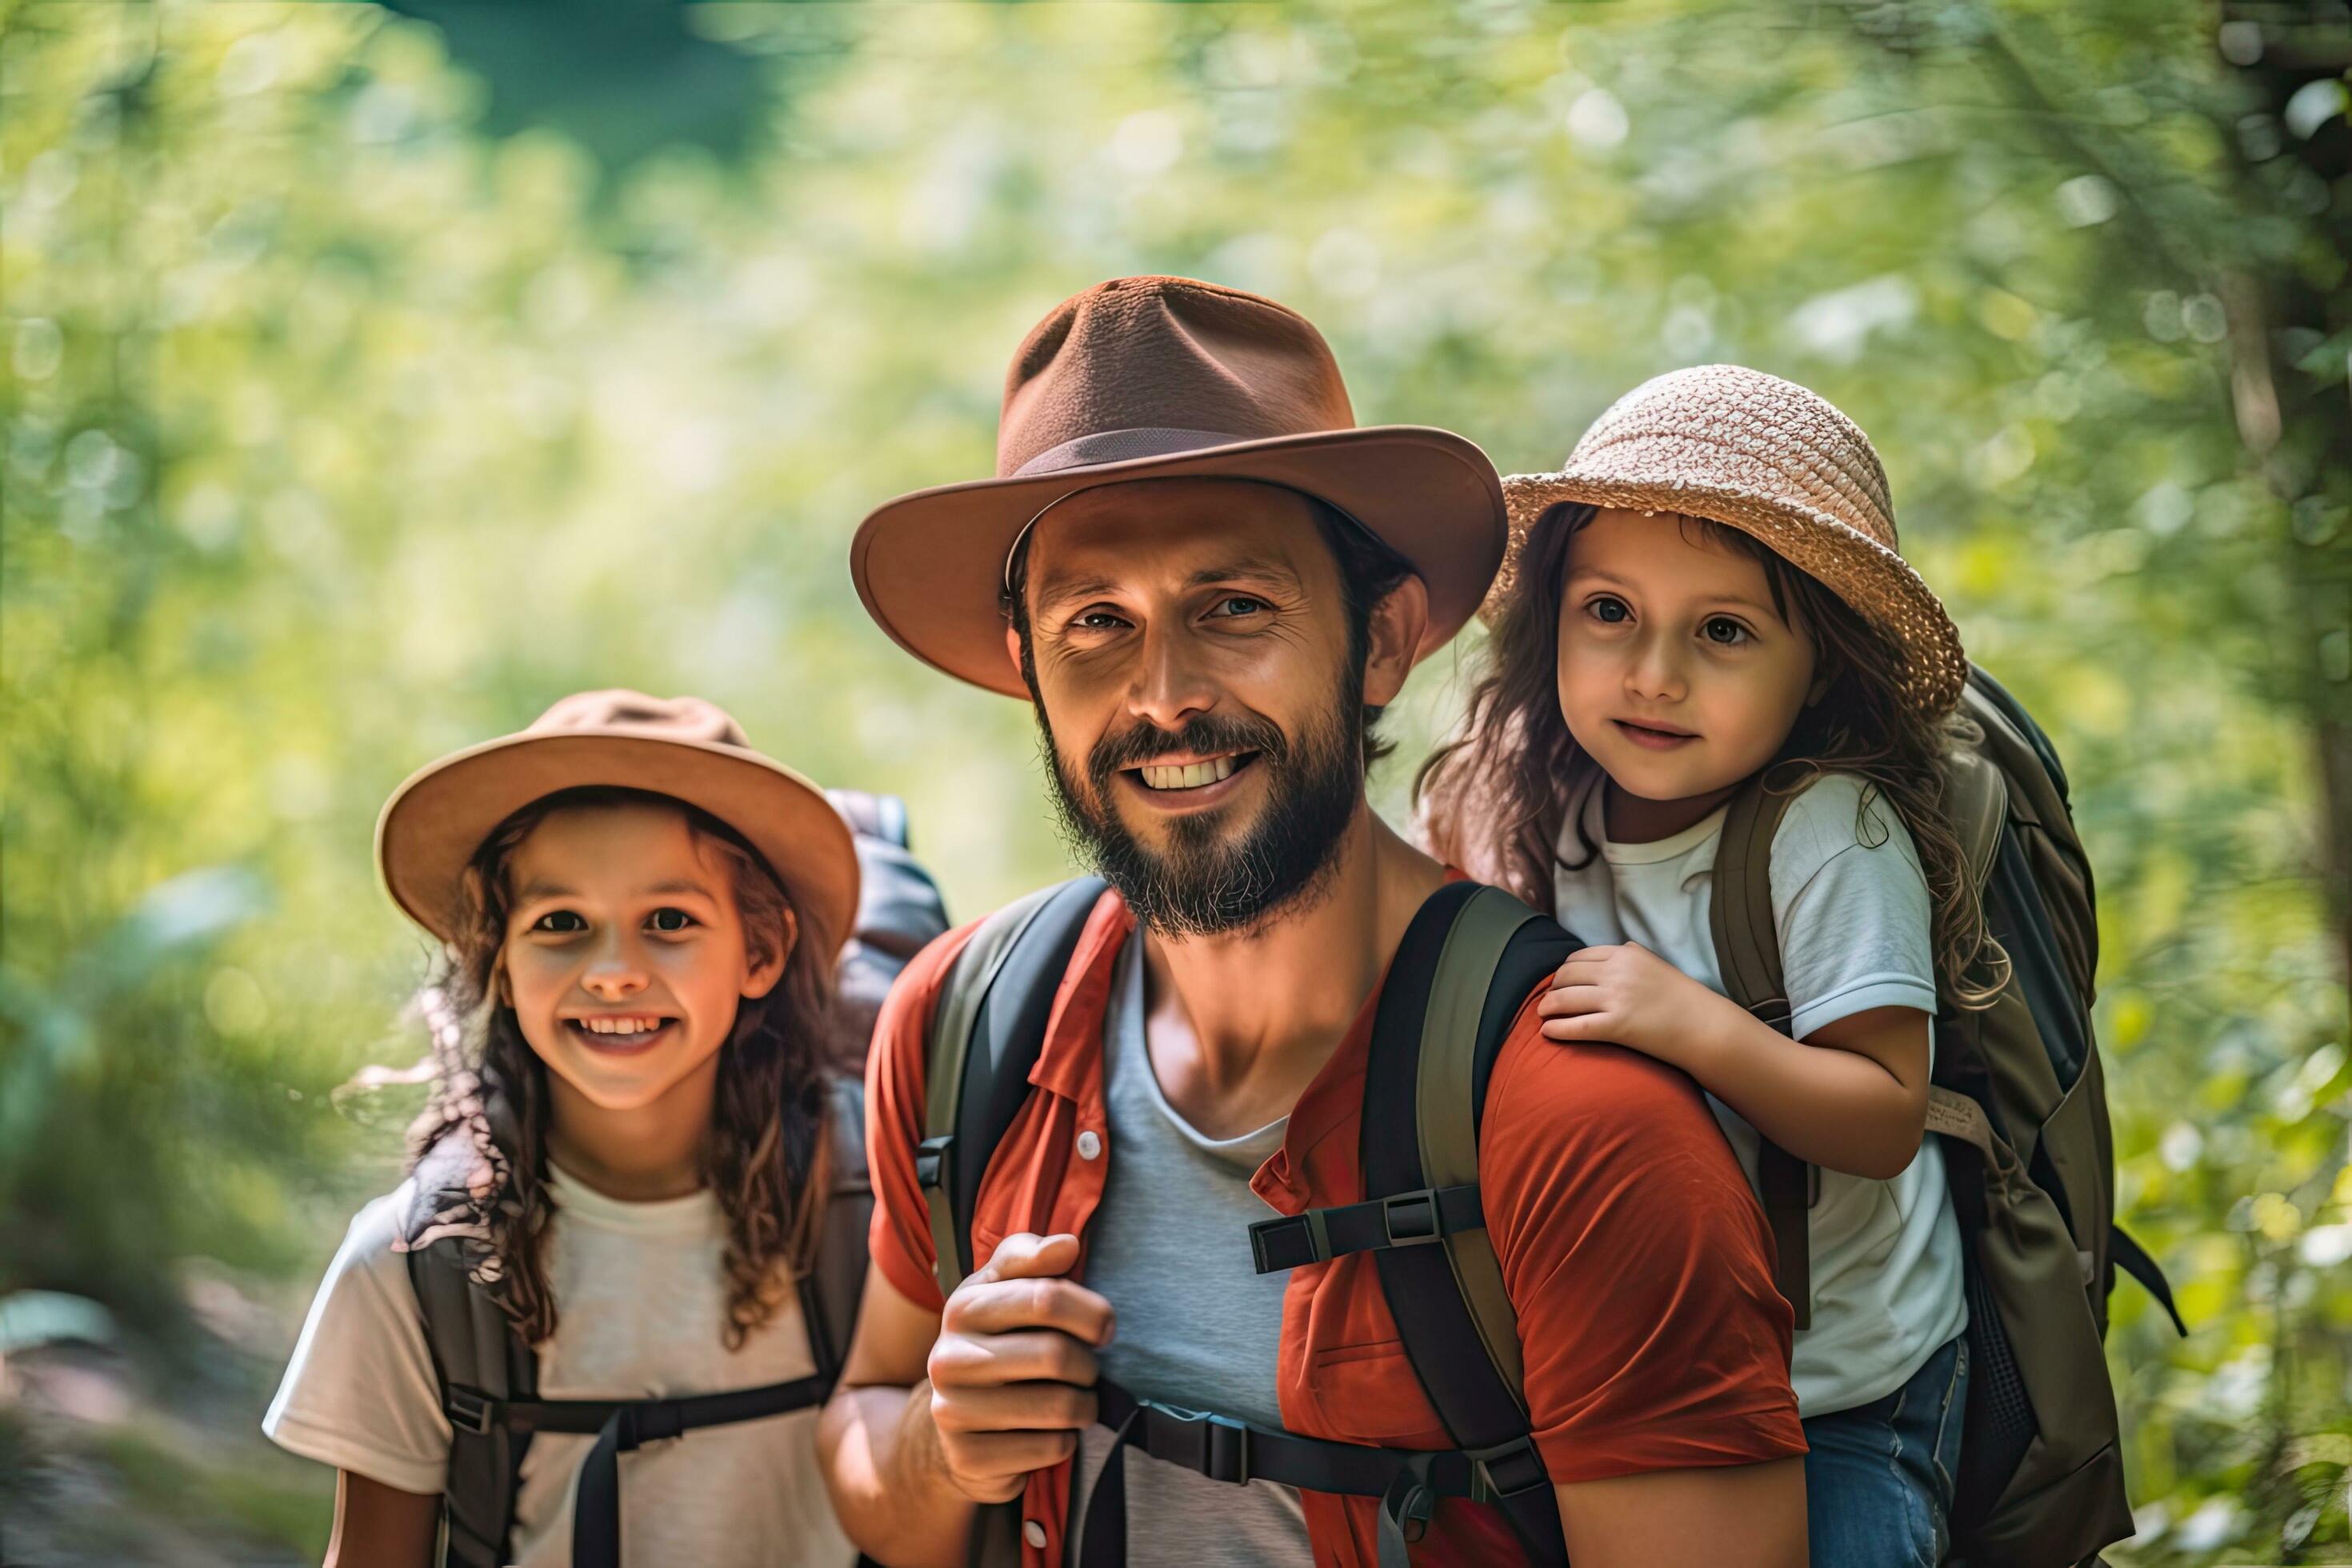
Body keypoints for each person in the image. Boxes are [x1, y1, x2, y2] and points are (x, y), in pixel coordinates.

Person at [818, 275, 1809, 1568]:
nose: (1163, 695)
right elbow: (868, 1425)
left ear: (1383, 640)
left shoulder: (1582, 1124)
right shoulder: (963, 1024)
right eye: (1095, 624)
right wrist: (940, 1446)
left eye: (1234, 608)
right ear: (1029, 674)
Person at [1418, 365, 1984, 1567]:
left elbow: (1882, 1117)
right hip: (1639, 1367)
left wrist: (1695, 1025)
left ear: (1821, 665)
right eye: (1609, 612)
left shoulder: (1828, 832)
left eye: (1723, 630)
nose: (1654, 673)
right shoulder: (1532, 799)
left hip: (1844, 1389)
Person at [266, 690, 864, 1567]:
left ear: (760, 951)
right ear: (497, 959)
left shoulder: (867, 1212)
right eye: (560, 924)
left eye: (669, 920)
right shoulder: (412, 1269)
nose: (614, 972)